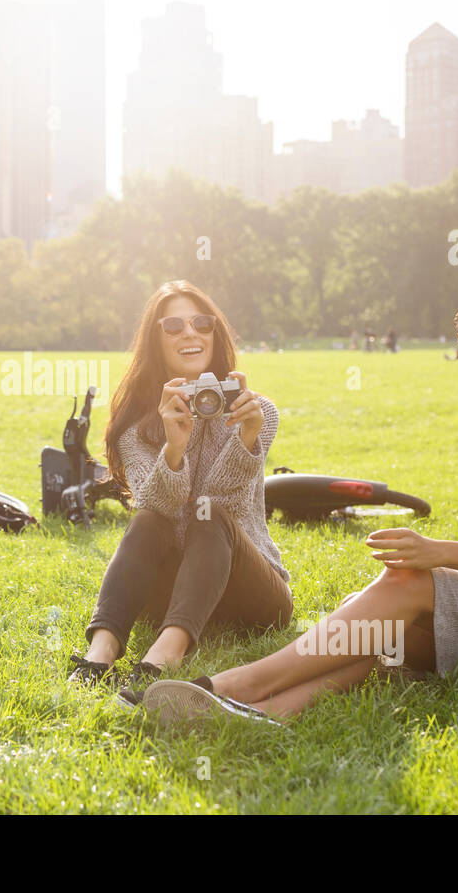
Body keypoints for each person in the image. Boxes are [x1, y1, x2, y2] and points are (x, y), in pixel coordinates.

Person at [138, 244, 458, 726]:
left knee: (407, 586)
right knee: (374, 628)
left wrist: (433, 555)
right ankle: (266, 713)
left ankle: (226, 686)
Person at [68, 279, 294, 696]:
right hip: (176, 592)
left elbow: (219, 507)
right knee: (148, 519)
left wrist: (246, 439)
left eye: (201, 323)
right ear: (156, 342)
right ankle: (100, 651)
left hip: (252, 596)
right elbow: (158, 508)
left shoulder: (257, 411)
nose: (190, 333)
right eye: (173, 326)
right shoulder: (134, 429)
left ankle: (166, 655)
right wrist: (174, 446)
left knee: (209, 515)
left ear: (215, 333)